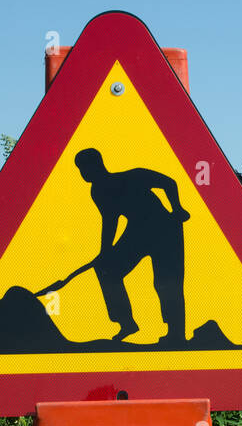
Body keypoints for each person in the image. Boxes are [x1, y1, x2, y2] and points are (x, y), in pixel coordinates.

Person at [74, 147, 190, 342]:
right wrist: (105, 252)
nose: (83, 173)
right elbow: (110, 220)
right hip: (137, 231)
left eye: (84, 168)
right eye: (80, 169)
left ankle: (176, 333)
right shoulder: (98, 191)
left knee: (167, 282)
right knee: (106, 268)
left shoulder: (133, 176)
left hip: (164, 229)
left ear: (97, 165)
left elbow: (169, 183)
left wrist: (176, 208)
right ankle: (126, 322)